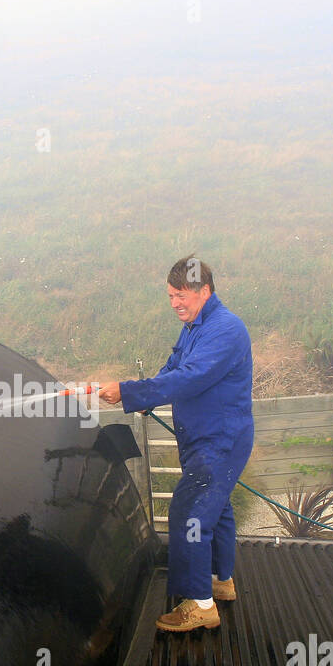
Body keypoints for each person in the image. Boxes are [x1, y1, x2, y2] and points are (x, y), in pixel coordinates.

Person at [95, 256, 253, 632]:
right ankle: (220, 580)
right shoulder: (196, 325)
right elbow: (175, 367)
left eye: (182, 295)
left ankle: (200, 606)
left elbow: (190, 378)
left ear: (205, 291)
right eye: (170, 295)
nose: (175, 304)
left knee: (190, 515)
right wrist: (146, 395)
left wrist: (130, 392)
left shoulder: (224, 330)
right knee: (217, 510)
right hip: (207, 438)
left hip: (220, 441)